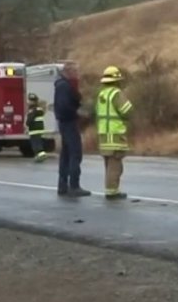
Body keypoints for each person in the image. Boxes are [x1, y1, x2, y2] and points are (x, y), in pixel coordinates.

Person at [94, 65, 134, 200]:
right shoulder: (116, 93)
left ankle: (111, 189)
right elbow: (127, 111)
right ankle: (112, 191)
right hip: (115, 135)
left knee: (108, 164)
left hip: (103, 135)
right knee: (115, 165)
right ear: (117, 80)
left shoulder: (101, 94)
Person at [53, 61, 91, 197]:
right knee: (75, 153)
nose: (77, 75)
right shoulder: (64, 86)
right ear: (68, 72)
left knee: (66, 154)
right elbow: (64, 107)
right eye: (75, 72)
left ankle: (63, 185)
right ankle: (74, 185)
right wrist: (77, 113)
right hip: (68, 122)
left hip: (64, 123)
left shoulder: (62, 85)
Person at [26, 93, 48, 162]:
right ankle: (41, 155)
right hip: (39, 129)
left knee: (35, 144)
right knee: (38, 142)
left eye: (29, 100)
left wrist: (27, 124)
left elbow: (30, 119)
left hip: (34, 129)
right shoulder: (39, 109)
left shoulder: (33, 110)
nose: (28, 102)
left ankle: (41, 155)